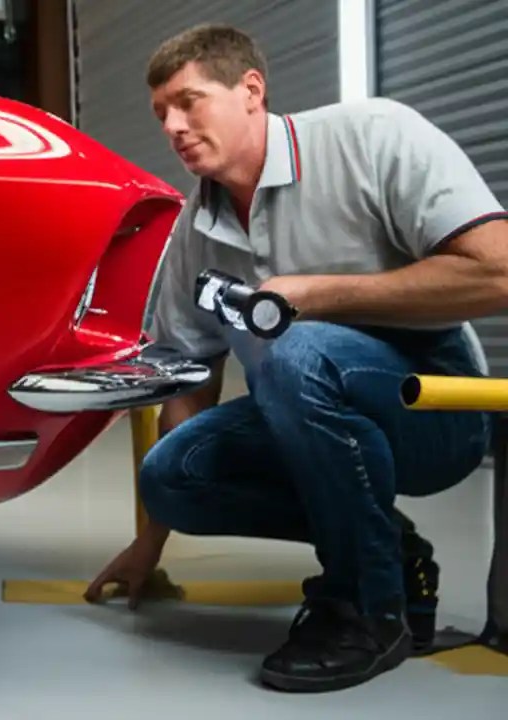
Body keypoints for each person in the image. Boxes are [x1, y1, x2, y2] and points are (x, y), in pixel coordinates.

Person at [83, 23, 508, 692]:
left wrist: (315, 295)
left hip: (437, 406)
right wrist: (150, 545)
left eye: (189, 102)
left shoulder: (373, 137)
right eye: (161, 112)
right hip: (302, 405)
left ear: (251, 90)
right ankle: (390, 554)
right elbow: (190, 385)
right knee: (173, 476)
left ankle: (367, 609)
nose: (173, 126)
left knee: (293, 349)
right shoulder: (196, 231)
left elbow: (498, 271)